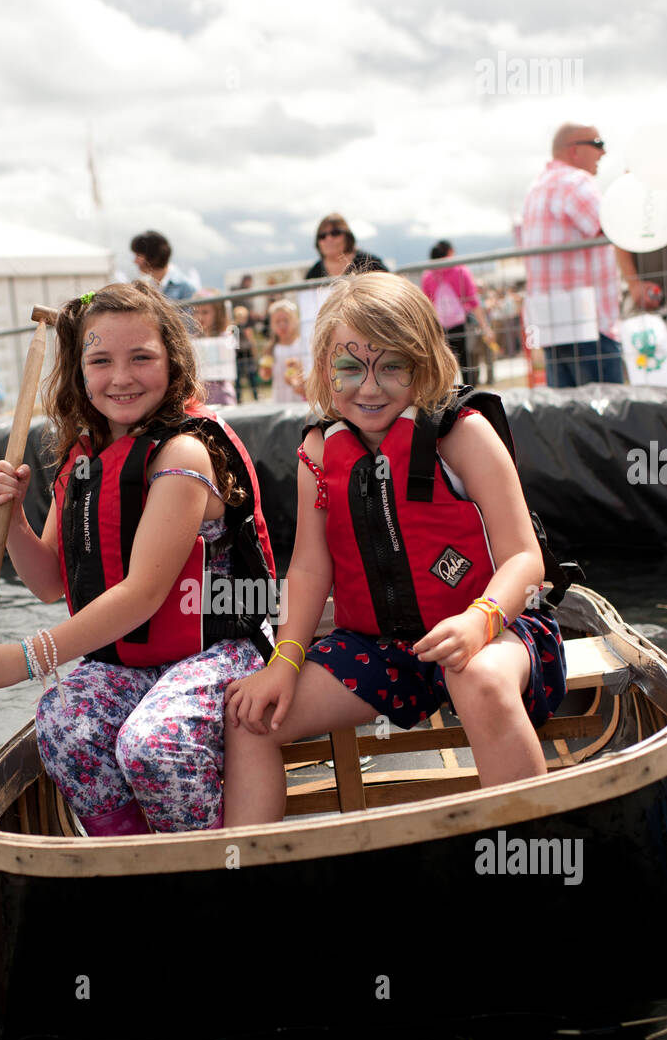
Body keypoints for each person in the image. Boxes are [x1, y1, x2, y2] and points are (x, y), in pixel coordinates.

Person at [222, 272, 567, 826]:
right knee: (249, 718)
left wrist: (479, 621)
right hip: (378, 646)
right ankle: (251, 870)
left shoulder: (465, 435)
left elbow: (525, 559)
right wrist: (283, 663)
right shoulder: (316, 452)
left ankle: (528, 850)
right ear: (324, 371)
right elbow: (310, 569)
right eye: (350, 367)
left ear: (424, 364)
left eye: (392, 366)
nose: (370, 386)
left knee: (475, 680)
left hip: (496, 629)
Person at [0, 282, 275, 835]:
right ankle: (131, 859)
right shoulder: (83, 458)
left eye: (141, 358)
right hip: (131, 662)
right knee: (64, 726)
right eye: (100, 360)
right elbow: (49, 581)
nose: (121, 377)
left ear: (172, 362)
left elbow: (145, 593)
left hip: (221, 648)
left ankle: (201, 864)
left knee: (154, 743)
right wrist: (12, 519)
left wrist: (25, 659)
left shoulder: (184, 453)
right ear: (79, 373)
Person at [520, 123, 624, 386]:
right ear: (575, 150)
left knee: (568, 417)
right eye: (598, 144)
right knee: (607, 417)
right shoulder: (575, 181)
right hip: (589, 323)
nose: (603, 152)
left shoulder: (535, 188)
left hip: (553, 324)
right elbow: (617, 229)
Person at [421, 241, 495, 386]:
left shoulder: (428, 275)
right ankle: (471, 398)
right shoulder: (460, 270)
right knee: (467, 364)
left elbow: (426, 306)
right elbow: (474, 301)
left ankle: (445, 400)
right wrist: (485, 327)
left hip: (439, 327)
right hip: (461, 325)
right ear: (449, 253)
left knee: (442, 367)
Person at [304, 214, 388, 280]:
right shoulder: (313, 274)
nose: (328, 239)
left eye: (335, 233)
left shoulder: (371, 263)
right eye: (322, 236)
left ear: (347, 236)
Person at [192, 290, 237, 405]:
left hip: (221, 395)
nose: (200, 317)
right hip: (201, 396)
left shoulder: (225, 337)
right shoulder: (195, 339)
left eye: (205, 312)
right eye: (197, 312)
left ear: (218, 314)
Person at [130, 230, 196, 302]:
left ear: (153, 256)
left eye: (138, 255)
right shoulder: (143, 286)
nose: (135, 261)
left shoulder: (186, 288)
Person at [265, 299, 311, 401]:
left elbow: (308, 368)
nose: (282, 325)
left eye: (286, 320)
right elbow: (265, 376)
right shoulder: (272, 348)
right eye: (277, 322)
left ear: (295, 321)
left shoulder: (302, 344)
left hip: (300, 394)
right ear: (272, 325)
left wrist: (298, 367)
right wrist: (266, 370)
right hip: (280, 396)